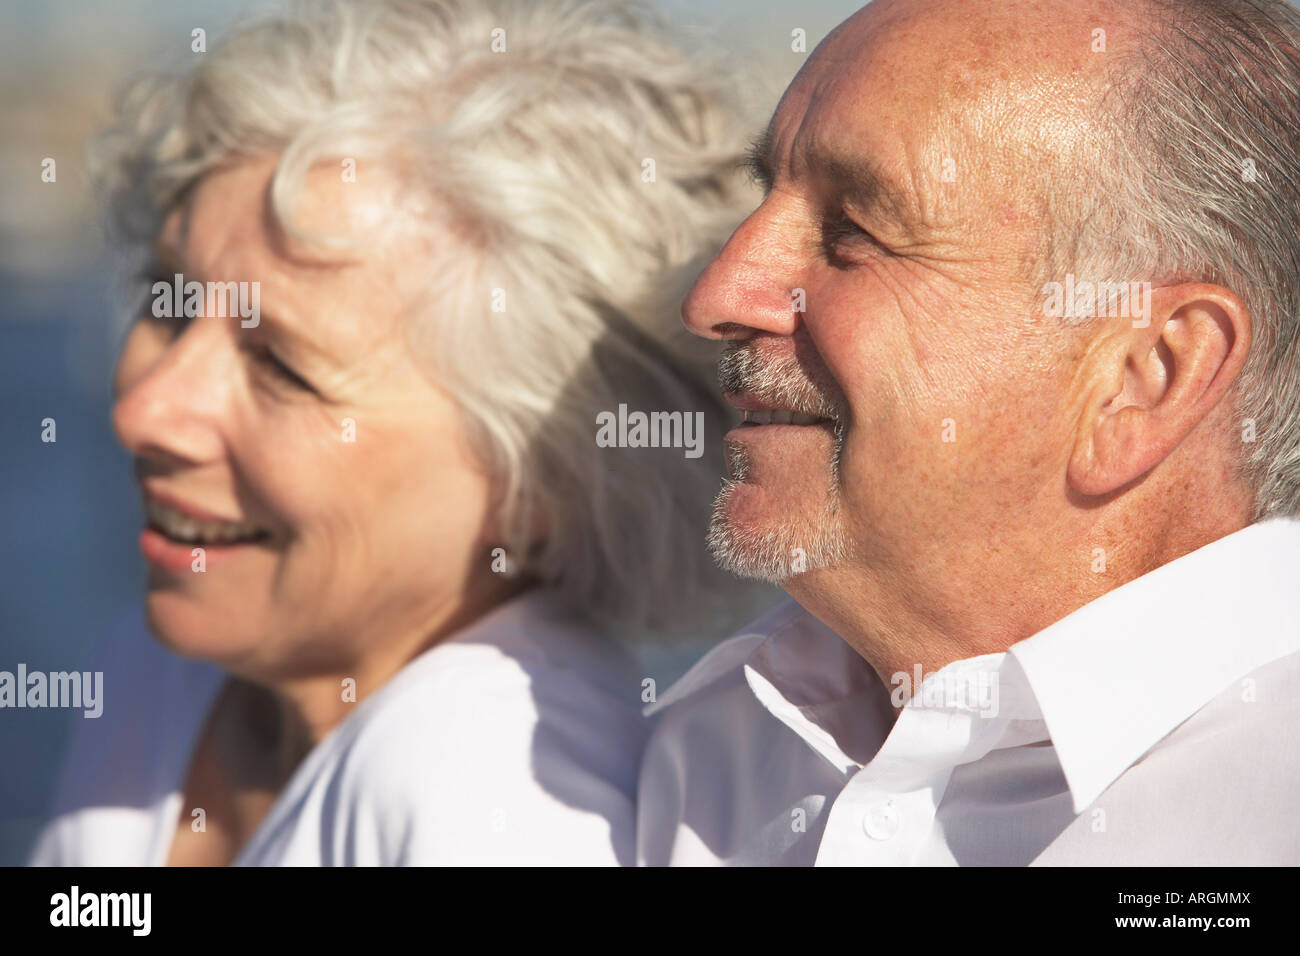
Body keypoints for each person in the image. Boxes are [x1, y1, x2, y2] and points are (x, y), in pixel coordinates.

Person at [30, 0, 757, 866]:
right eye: (168, 299)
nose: (143, 409)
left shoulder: (495, 791)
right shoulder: (168, 671)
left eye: (281, 367)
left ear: (545, 480)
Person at [638, 0, 1300, 865]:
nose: (718, 297)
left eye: (854, 234)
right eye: (765, 198)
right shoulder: (712, 746)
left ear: (1149, 375)